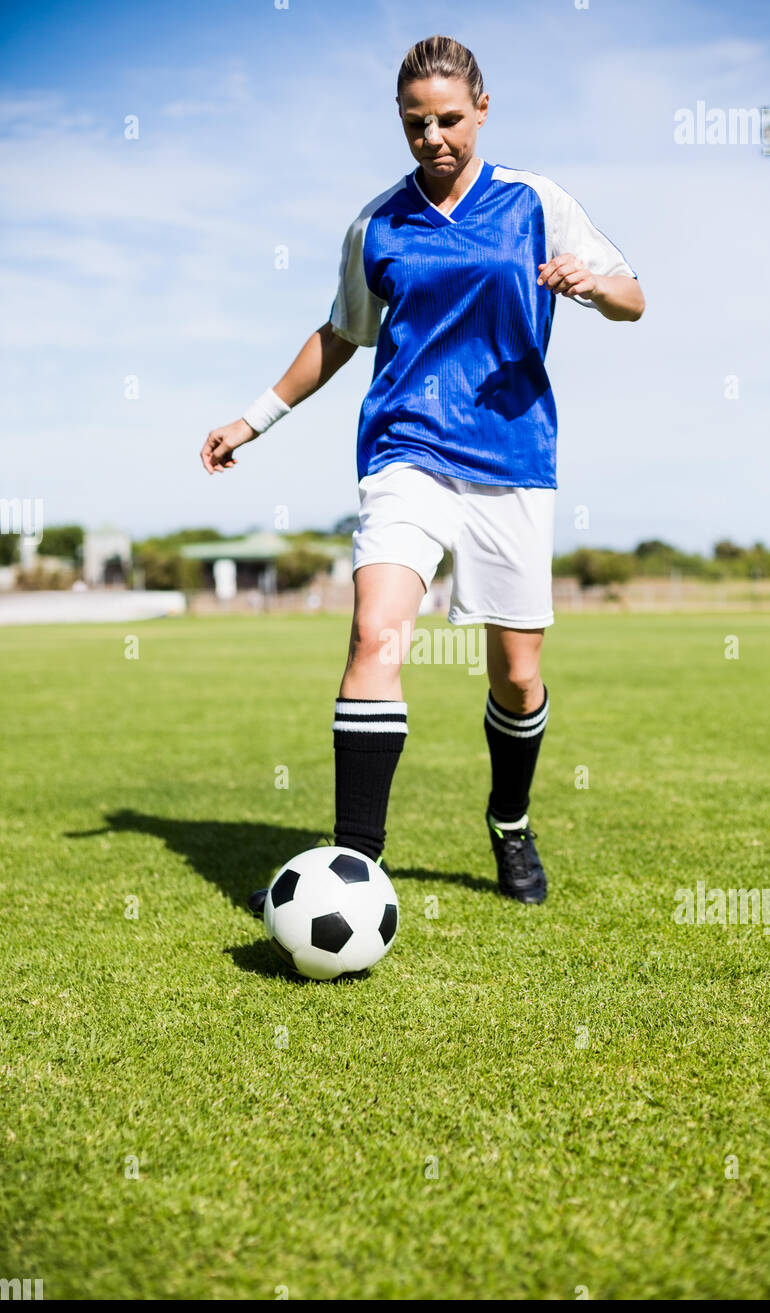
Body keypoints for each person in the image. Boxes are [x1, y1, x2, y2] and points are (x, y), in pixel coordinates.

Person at [200, 34, 644, 907]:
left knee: (517, 676)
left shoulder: (534, 201)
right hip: (406, 448)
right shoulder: (378, 224)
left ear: (482, 109)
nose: (434, 137)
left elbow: (634, 296)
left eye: (448, 118)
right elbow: (339, 335)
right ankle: (354, 868)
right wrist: (251, 419)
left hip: (513, 458)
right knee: (377, 636)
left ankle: (509, 823)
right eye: (416, 124)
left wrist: (587, 282)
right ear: (399, 124)